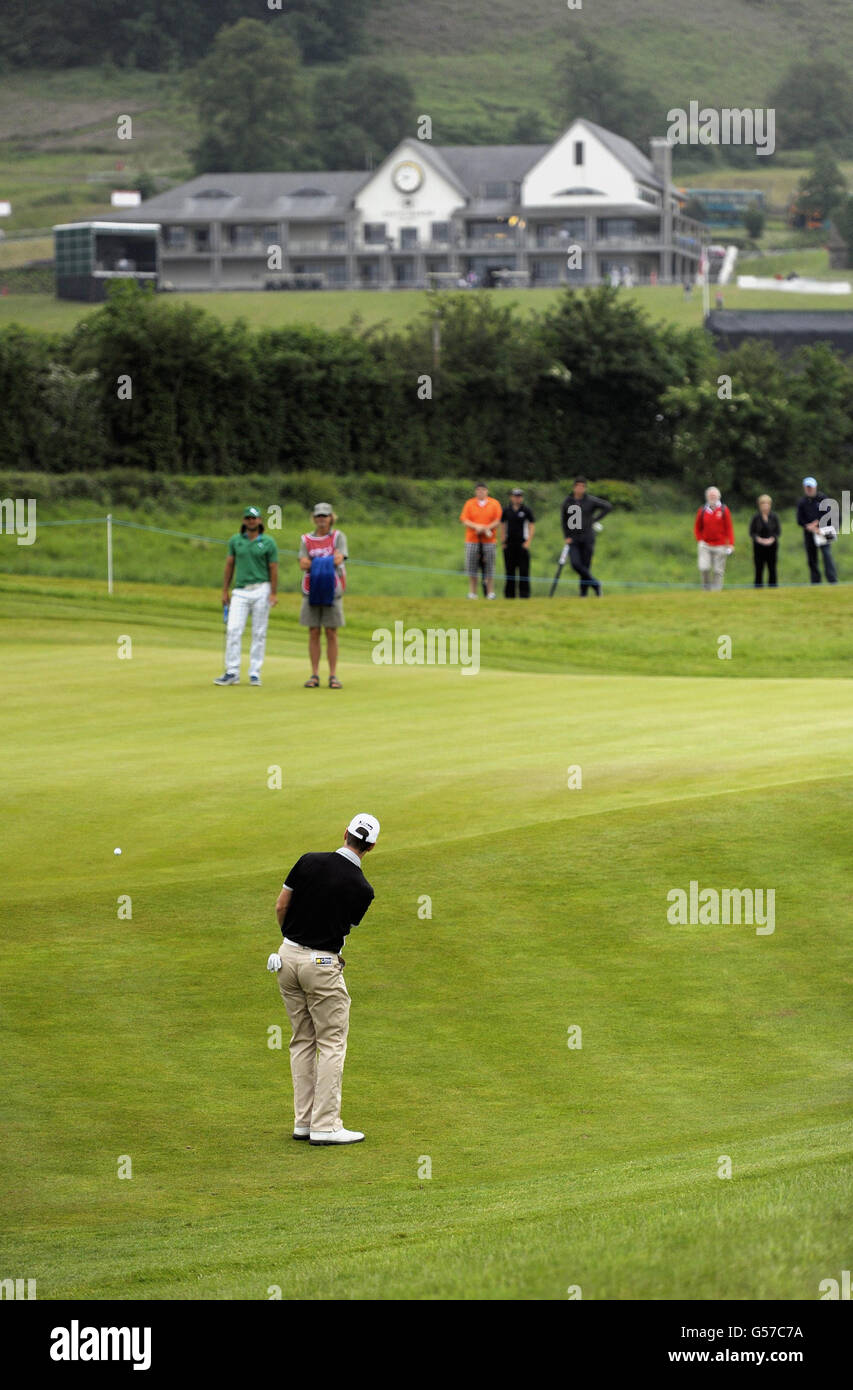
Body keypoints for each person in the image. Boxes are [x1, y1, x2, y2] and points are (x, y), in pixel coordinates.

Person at [267, 813, 379, 1146]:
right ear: (371, 846)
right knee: (331, 1043)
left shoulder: (307, 861)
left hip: (285, 958)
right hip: (322, 961)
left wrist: (292, 942)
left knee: (302, 1039)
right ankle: (326, 1125)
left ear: (344, 833)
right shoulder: (363, 889)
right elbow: (343, 926)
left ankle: (304, 1122)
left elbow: (281, 905)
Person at [214, 506, 278, 686]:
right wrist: (224, 590)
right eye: (248, 518)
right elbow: (229, 566)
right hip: (240, 590)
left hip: (261, 588)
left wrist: (273, 592)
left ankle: (255, 672)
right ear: (244, 521)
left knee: (259, 632)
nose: (251, 521)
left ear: (259, 521)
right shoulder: (235, 541)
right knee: (233, 630)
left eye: (254, 518)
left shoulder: (268, 542)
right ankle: (232, 671)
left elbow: (273, 568)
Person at [299, 503, 348, 688]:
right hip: (311, 589)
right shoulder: (306, 539)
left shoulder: (338, 537)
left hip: (333, 590)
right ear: (314, 517)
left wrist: (315, 561)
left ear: (331, 518)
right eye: (318, 515)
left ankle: (333, 675)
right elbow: (303, 563)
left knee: (331, 632)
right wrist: (326, 561)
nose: (321, 519)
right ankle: (314, 674)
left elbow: (339, 558)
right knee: (313, 631)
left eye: (325, 516)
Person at [559, 476, 611, 596]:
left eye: (583, 487)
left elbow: (607, 506)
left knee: (586, 565)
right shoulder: (568, 502)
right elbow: (564, 520)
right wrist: (566, 536)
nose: (580, 489)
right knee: (576, 564)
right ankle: (595, 584)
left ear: (585, 488)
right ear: (574, 487)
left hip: (587, 537)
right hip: (573, 538)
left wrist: (595, 519)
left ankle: (583, 593)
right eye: (578, 486)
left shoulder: (590, 501)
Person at [459, 482, 502, 598]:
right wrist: (476, 527)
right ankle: (472, 592)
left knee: (489, 567)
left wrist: (486, 528)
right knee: (472, 567)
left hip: (489, 540)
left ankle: (490, 592)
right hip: (472, 539)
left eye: (483, 490)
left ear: (487, 491)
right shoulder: (469, 503)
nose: (481, 492)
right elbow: (464, 519)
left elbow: (498, 520)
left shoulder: (494, 503)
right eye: (478, 490)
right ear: (475, 491)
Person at [796, 476, 838, 584]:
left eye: (811, 487)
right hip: (809, 533)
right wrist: (809, 526)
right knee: (812, 558)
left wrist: (817, 523)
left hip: (825, 531)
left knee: (827, 555)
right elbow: (800, 519)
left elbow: (829, 514)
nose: (809, 489)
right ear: (804, 488)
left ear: (815, 487)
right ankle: (816, 582)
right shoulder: (802, 502)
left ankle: (832, 581)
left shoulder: (823, 498)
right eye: (807, 487)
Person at [694, 486, 734, 590]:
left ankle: (716, 593)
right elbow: (697, 528)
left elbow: (729, 528)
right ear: (707, 497)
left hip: (720, 545)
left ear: (718, 496)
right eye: (710, 495)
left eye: (714, 495)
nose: (712, 497)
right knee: (704, 568)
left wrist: (730, 544)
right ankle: (706, 590)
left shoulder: (724, 510)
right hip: (705, 545)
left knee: (718, 571)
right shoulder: (702, 510)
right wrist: (700, 540)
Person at [501, 487, 536, 598]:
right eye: (515, 496)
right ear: (511, 497)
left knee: (524, 570)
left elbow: (531, 525)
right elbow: (502, 525)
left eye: (519, 496)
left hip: (522, 544)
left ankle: (524, 594)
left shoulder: (526, 510)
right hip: (509, 544)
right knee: (509, 570)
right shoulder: (506, 510)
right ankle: (509, 595)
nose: (517, 499)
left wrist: (528, 541)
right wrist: (503, 541)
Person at [749, 494, 781, 587]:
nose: (765, 506)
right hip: (759, 546)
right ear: (759, 505)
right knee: (759, 568)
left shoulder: (774, 517)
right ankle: (758, 587)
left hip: (772, 546)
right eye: (763, 504)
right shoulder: (756, 518)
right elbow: (752, 532)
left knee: (772, 568)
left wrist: (772, 539)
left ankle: (773, 587)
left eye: (767, 504)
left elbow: (778, 531)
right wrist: (759, 539)